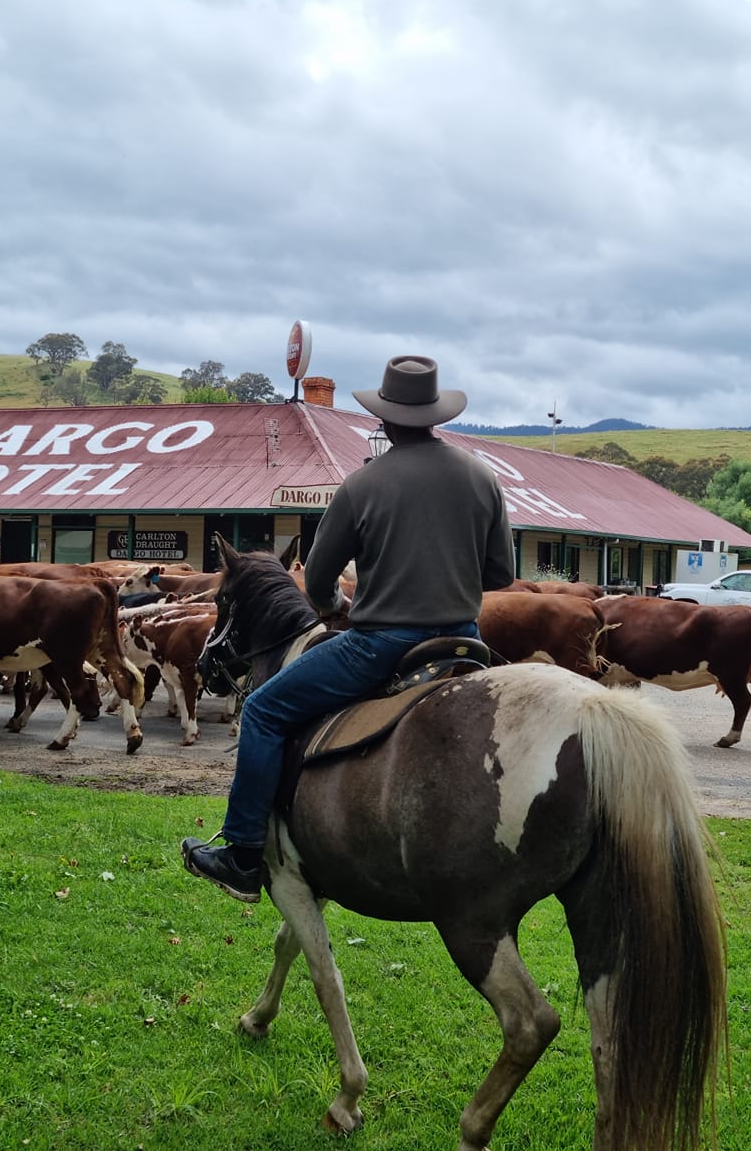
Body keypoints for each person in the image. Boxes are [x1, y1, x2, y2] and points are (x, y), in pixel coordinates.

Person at [181, 355, 514, 902]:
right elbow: (500, 572)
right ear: (435, 415)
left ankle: (242, 855)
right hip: (464, 638)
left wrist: (337, 600)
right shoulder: (481, 475)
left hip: (381, 645)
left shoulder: (362, 485)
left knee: (263, 710)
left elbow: (317, 583)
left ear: (383, 419)